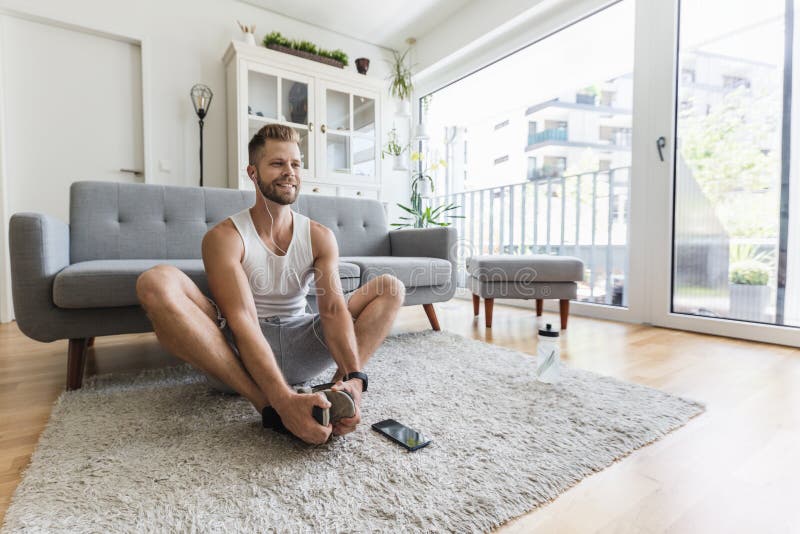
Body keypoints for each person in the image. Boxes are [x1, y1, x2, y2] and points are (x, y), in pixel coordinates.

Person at [136, 124, 405, 445]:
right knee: (156, 281)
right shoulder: (224, 237)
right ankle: (265, 405)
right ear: (253, 172)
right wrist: (282, 401)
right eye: (277, 164)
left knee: (391, 287)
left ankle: (340, 394)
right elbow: (243, 321)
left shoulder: (319, 236)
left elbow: (332, 310)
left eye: (295, 164)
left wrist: (353, 378)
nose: (289, 172)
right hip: (236, 356)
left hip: (302, 339)